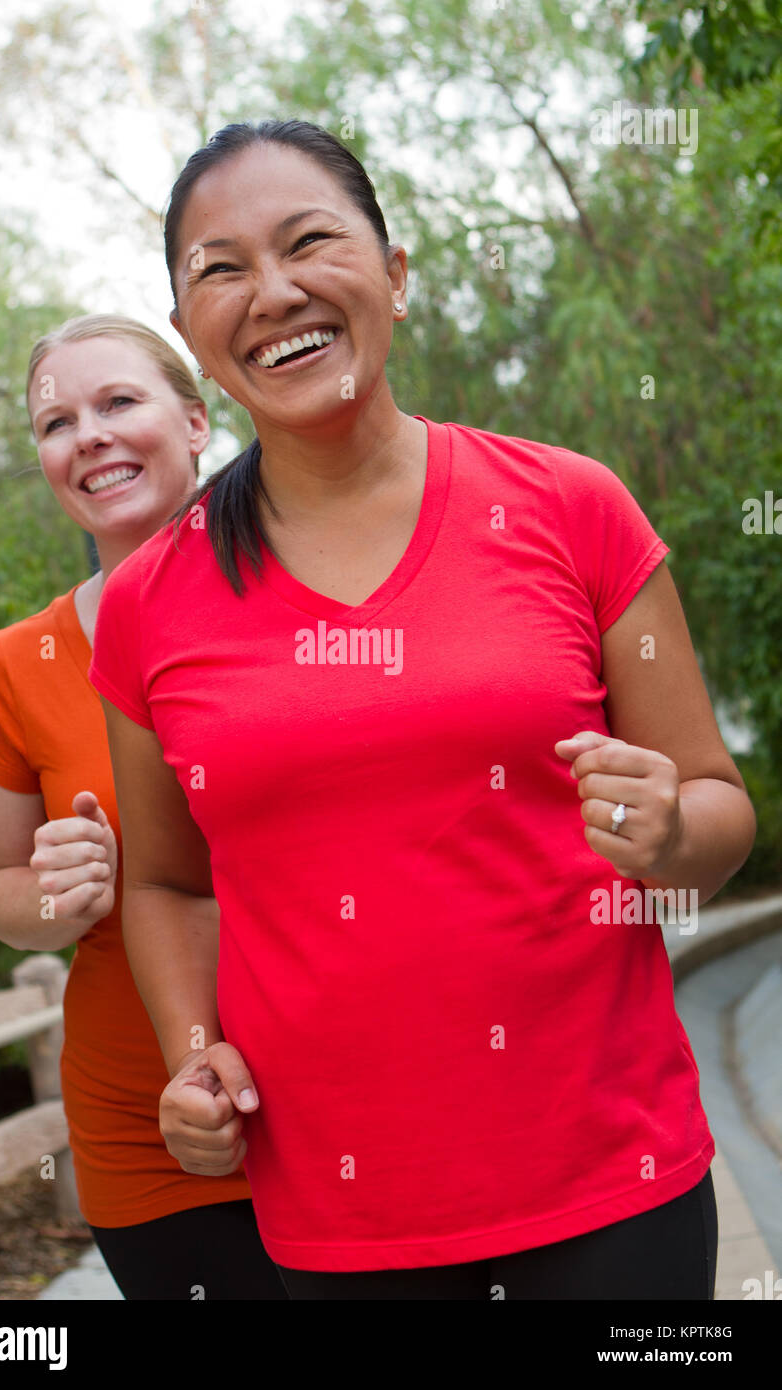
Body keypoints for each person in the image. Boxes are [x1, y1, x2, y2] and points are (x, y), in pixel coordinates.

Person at [88, 122, 756, 1301]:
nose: (273, 291)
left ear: (394, 277)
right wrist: (194, 1057)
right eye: (220, 268)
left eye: (309, 242)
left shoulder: (572, 507)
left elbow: (712, 808)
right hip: (337, 1225)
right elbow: (167, 882)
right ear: (189, 332)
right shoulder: (149, 602)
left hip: (617, 1191)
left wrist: (670, 836)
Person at [0, 314, 288, 1300]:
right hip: (147, 1122)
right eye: (57, 422)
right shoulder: (16, 665)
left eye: (118, 401)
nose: (88, 435)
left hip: (339, 1088)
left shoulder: (315, 605)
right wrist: (56, 894)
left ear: (196, 422)